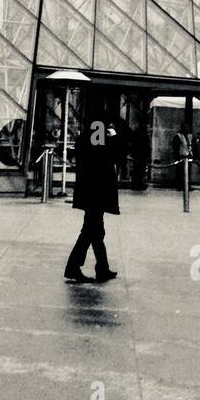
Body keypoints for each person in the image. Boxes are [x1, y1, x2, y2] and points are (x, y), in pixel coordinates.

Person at [64, 106, 124, 284]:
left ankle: (102, 268)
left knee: (96, 230)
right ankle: (73, 267)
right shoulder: (99, 132)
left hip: (91, 190)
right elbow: (106, 156)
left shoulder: (88, 133)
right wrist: (114, 137)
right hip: (97, 191)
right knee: (90, 230)